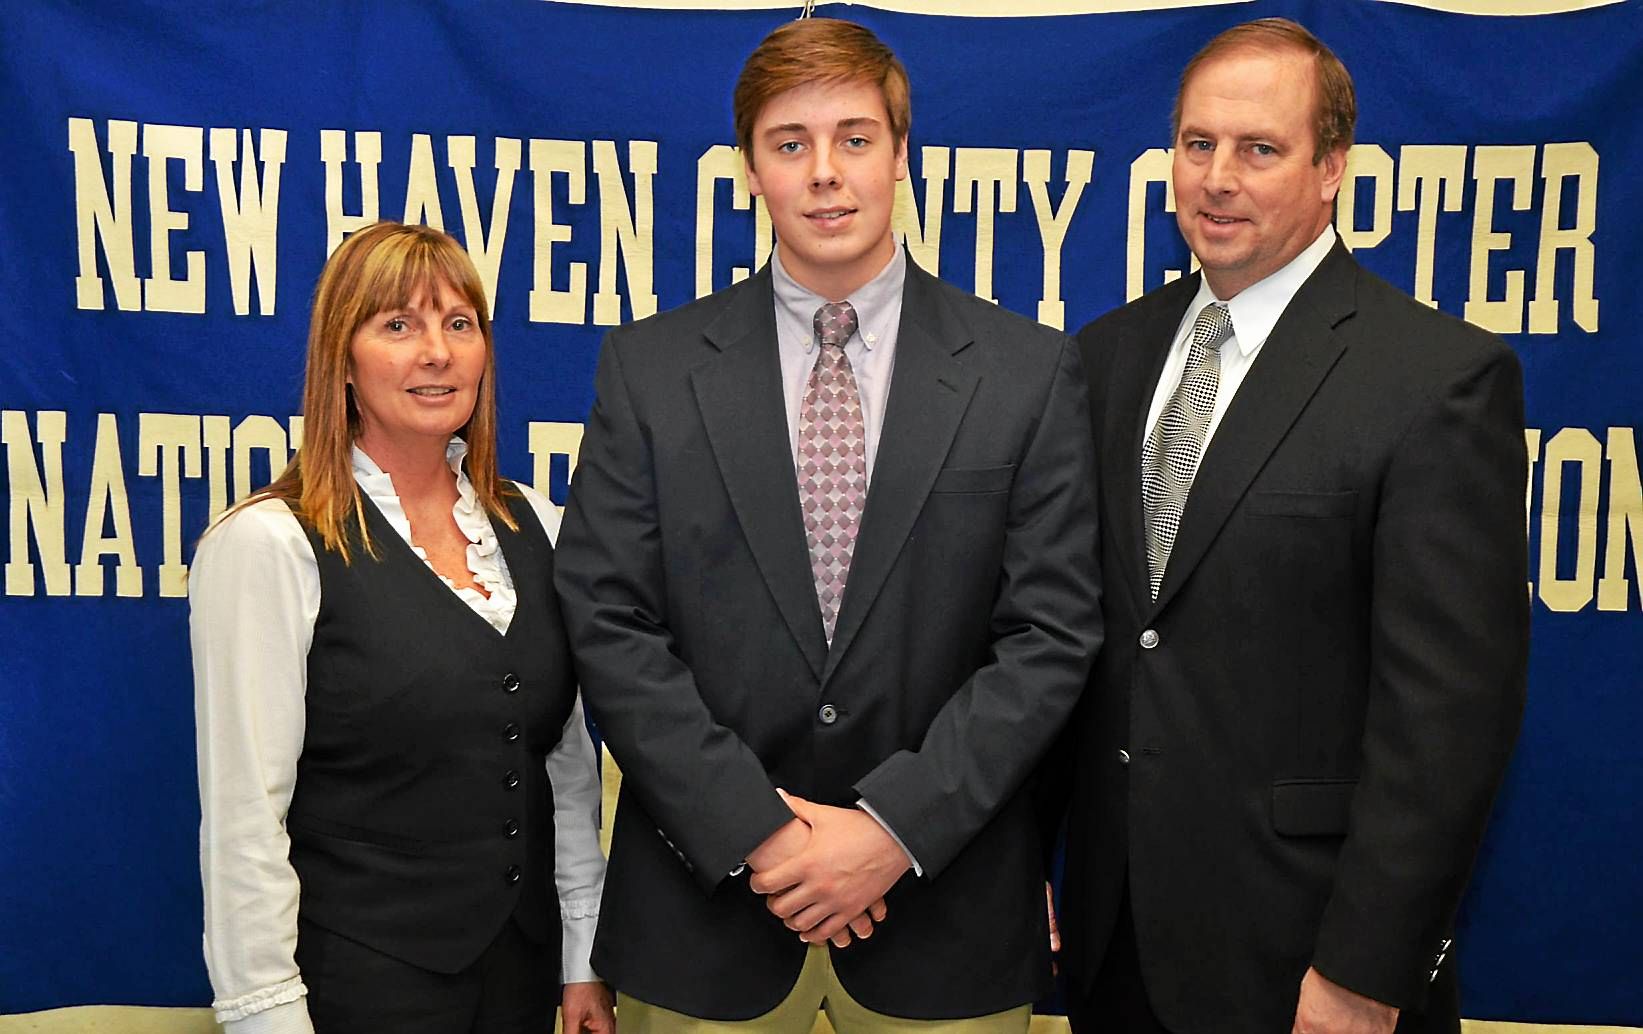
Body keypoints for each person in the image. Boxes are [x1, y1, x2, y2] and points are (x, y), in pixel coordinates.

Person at [552, 16, 1102, 1034]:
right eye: (788, 143)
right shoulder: (650, 369)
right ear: (747, 171)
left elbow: (1049, 635)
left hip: (944, 917)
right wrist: (757, 831)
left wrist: (893, 827)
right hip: (704, 917)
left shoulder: (1026, 373)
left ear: (901, 156)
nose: (824, 174)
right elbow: (608, 622)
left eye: (853, 138)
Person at [1051, 18, 1529, 1034]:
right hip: (1111, 945)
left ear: (1330, 170)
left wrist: (1365, 969)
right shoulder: (1103, 359)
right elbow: (1077, 641)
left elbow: (1446, 719)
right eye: (1196, 144)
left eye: (1257, 149)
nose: (1216, 177)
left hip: (1307, 963)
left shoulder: (1432, 380)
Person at [189, 221, 615, 1034]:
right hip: (357, 988)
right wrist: (264, 1018)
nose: (437, 352)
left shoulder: (538, 526)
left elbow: (560, 765)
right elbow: (246, 817)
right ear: (340, 361)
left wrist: (581, 957)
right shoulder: (270, 544)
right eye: (398, 325)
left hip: (519, 983)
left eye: (459, 324)